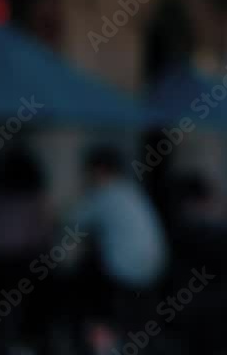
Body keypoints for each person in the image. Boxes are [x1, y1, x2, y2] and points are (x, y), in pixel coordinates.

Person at [66, 145, 168, 340]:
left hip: (125, 274)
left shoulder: (105, 194)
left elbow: (74, 220)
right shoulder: (131, 191)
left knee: (87, 298)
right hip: (152, 272)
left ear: (99, 170)